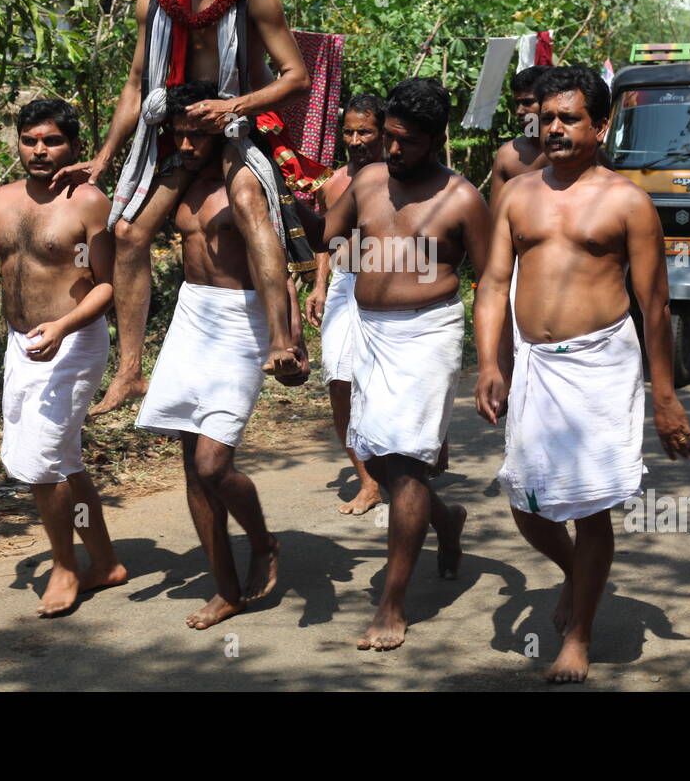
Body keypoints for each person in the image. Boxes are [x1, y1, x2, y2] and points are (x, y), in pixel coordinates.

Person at [53, 0, 316, 417]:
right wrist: (103, 161)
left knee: (249, 205)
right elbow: (135, 84)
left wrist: (232, 106)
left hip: (235, 130)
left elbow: (296, 77)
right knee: (127, 233)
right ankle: (129, 374)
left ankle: (281, 343)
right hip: (171, 130)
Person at [473, 66, 690, 684]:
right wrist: (490, 362)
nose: (554, 128)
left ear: (601, 125)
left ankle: (579, 635)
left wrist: (665, 399)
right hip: (534, 366)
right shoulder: (517, 194)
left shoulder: (628, 201)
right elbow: (491, 283)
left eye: (568, 118)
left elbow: (655, 306)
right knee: (527, 500)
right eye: (546, 118)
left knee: (590, 507)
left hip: (601, 364)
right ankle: (578, 573)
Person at [294, 78, 483, 651]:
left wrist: (496, 359)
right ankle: (446, 521)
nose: (394, 151)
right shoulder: (368, 181)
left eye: (408, 141)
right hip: (368, 329)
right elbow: (333, 240)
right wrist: (302, 203)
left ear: (437, 138)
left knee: (406, 467)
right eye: (390, 139)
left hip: (428, 333)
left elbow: (493, 278)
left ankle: (392, 604)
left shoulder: (463, 199)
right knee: (380, 453)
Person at [0, 99, 126, 616]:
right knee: (62, 459)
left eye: (52, 141)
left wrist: (64, 326)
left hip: (73, 341)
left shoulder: (88, 202)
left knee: (42, 464)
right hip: (22, 344)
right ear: (18, 143)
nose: (40, 151)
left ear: (73, 145)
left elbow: (107, 286)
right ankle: (106, 561)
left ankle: (65, 567)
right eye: (30, 140)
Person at [135, 82, 310, 629]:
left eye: (196, 137)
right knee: (192, 467)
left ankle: (263, 541)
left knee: (214, 463)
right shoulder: (179, 182)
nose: (186, 147)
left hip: (243, 320)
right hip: (192, 316)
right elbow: (128, 233)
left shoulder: (246, 185)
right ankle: (226, 589)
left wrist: (288, 337)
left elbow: (271, 259)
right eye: (178, 137)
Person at [303, 93, 388, 516]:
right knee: (340, 382)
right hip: (343, 285)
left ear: (383, 132)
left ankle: (405, 459)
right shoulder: (334, 182)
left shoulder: (398, 178)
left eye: (365, 131)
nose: (355, 140)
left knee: (386, 383)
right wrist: (320, 285)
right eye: (349, 131)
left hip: (390, 287)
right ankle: (367, 479)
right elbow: (326, 238)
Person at [489, 64, 552, 207]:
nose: (519, 111)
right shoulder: (508, 155)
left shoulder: (580, 152)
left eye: (528, 102)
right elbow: (495, 216)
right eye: (517, 103)